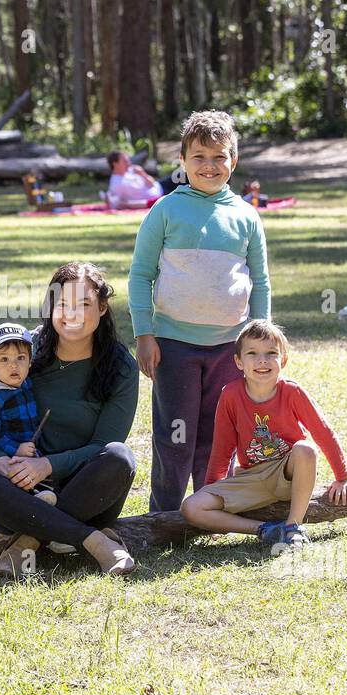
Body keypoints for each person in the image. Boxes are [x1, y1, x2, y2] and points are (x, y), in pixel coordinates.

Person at [129, 110, 272, 513]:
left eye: (219, 157)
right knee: (175, 436)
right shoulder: (165, 211)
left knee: (216, 434)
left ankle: (210, 509)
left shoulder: (246, 216)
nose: (209, 166)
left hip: (229, 348)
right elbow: (140, 275)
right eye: (199, 157)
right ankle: (166, 515)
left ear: (234, 161)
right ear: (183, 160)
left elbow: (259, 281)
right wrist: (145, 334)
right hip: (174, 346)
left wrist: (259, 339)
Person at [0, 262, 138, 578]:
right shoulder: (20, 350)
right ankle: (93, 539)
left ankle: (26, 541)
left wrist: (47, 465)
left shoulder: (121, 366)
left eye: (84, 304)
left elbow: (103, 443)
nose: (72, 313)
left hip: (87, 491)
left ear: (101, 308)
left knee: (119, 457)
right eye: (63, 304)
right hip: (20, 490)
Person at [181, 320, 347, 551]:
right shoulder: (230, 395)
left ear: (283, 360)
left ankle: (293, 527)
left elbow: (323, 432)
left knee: (306, 449)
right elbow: (222, 448)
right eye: (252, 353)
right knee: (191, 507)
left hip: (288, 475)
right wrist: (213, 489)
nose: (262, 360)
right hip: (252, 476)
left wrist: (342, 476)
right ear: (238, 362)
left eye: (271, 353)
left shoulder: (292, 392)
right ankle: (265, 529)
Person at [0, 323, 57, 504]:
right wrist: (15, 448)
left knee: (38, 471)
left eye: (20, 358)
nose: (14, 366)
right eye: (4, 360)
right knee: (18, 475)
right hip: (10, 454)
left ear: (30, 361)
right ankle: (34, 500)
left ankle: (45, 496)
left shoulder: (25, 383)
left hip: (30, 449)